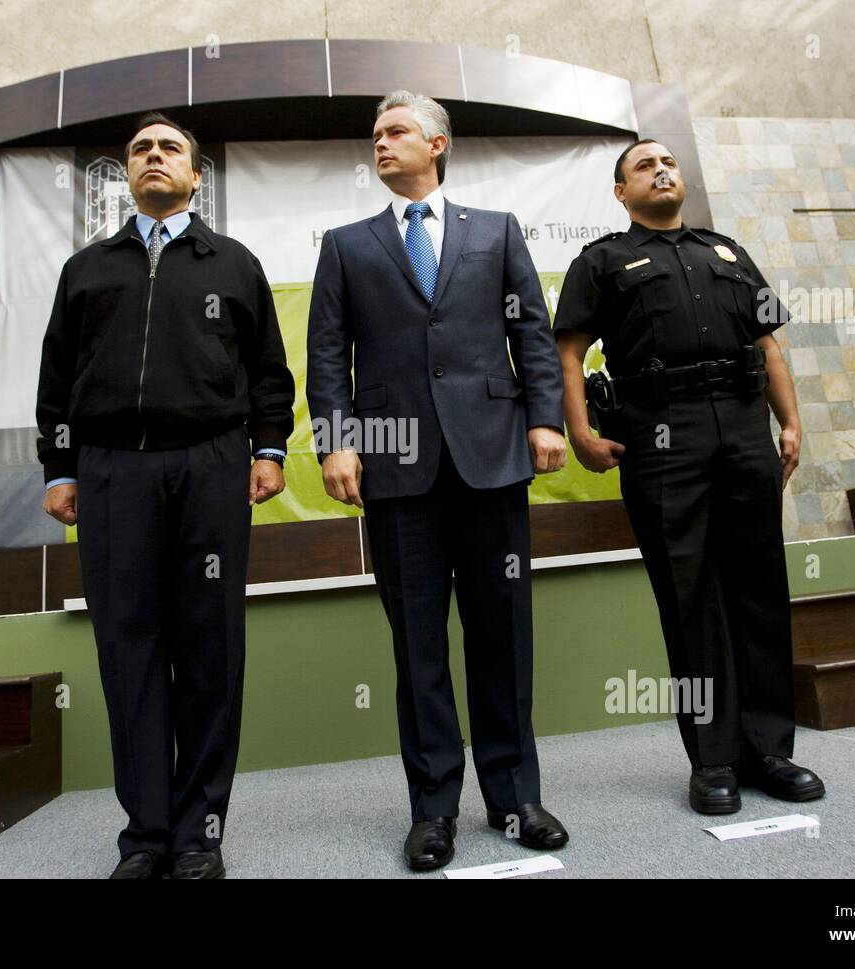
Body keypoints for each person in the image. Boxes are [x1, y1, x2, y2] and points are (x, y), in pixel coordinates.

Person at [307, 90, 570, 870]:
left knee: (504, 635)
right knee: (418, 646)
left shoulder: (496, 231)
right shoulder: (346, 245)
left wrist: (545, 418)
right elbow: (327, 354)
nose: (380, 144)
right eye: (375, 135)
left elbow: (531, 329)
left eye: (395, 132)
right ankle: (432, 812)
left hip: (491, 458)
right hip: (394, 469)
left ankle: (516, 797)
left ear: (438, 143)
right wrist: (336, 442)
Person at [36, 111, 295, 877]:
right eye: (141, 149)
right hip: (115, 474)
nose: (154, 156)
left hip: (211, 468)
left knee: (210, 646)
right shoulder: (87, 269)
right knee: (130, 650)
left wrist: (270, 448)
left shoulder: (235, 264)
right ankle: (147, 834)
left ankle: (199, 832)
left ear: (195, 174)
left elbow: (270, 372)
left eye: (169, 148)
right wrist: (60, 467)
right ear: (128, 172)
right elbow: (55, 381)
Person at [553, 139, 825, 814]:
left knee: (759, 588)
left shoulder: (726, 251)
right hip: (661, 433)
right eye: (644, 165)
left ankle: (770, 751)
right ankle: (713, 760)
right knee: (689, 595)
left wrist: (789, 421)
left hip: (742, 424)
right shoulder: (602, 262)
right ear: (621, 191)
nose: (662, 170)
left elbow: (769, 344)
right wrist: (580, 431)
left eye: (668, 162)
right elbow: (568, 353)